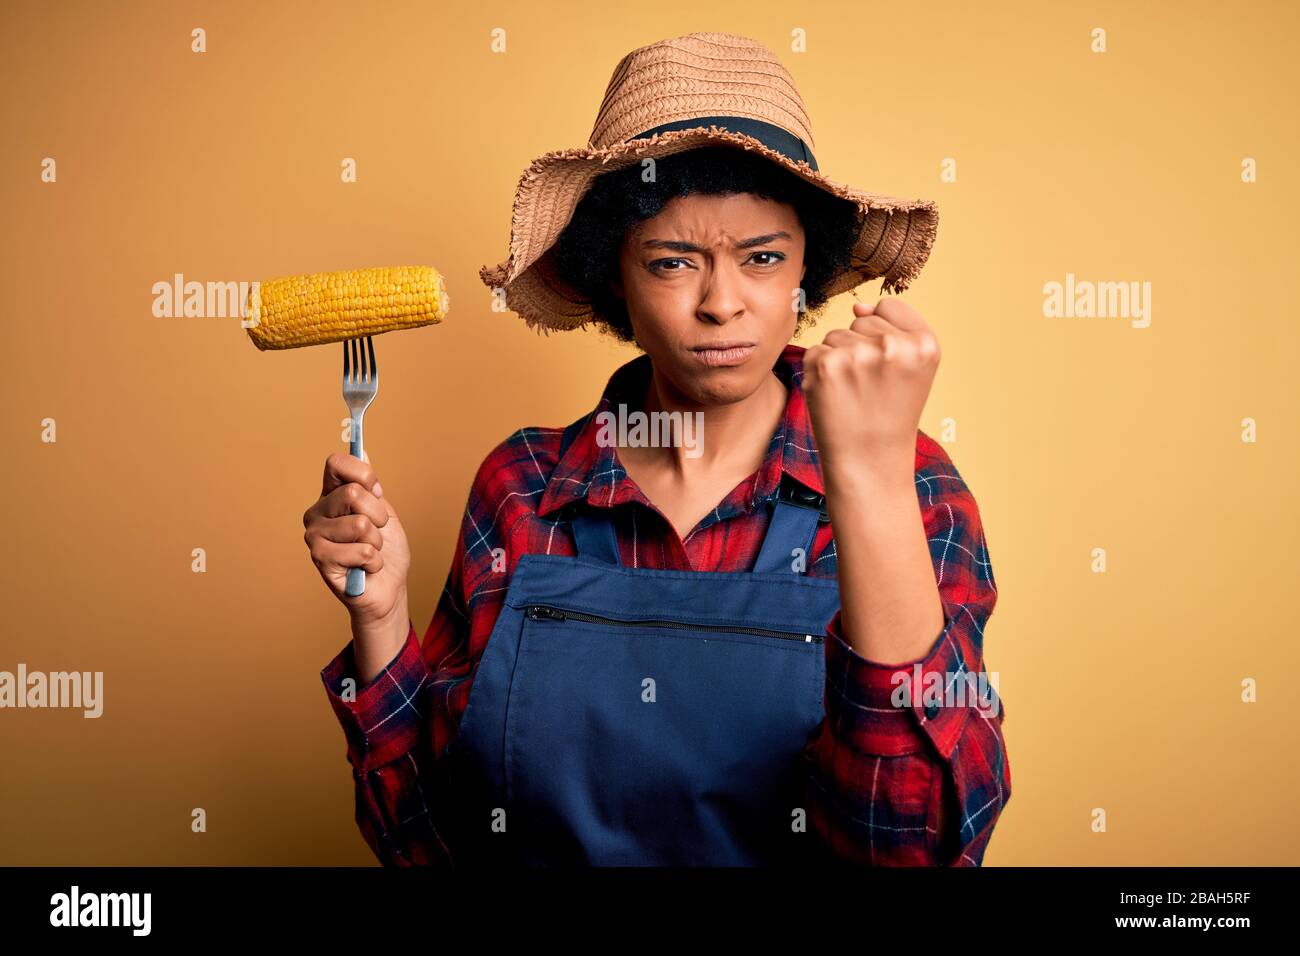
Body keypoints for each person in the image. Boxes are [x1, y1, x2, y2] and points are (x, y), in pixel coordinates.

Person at [303, 31, 1010, 866]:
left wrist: (870, 480)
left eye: (763, 259)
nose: (722, 305)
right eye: (673, 262)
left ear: (804, 277)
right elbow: (429, 844)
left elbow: (914, 850)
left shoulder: (912, 482)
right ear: (616, 282)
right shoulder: (521, 487)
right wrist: (381, 619)